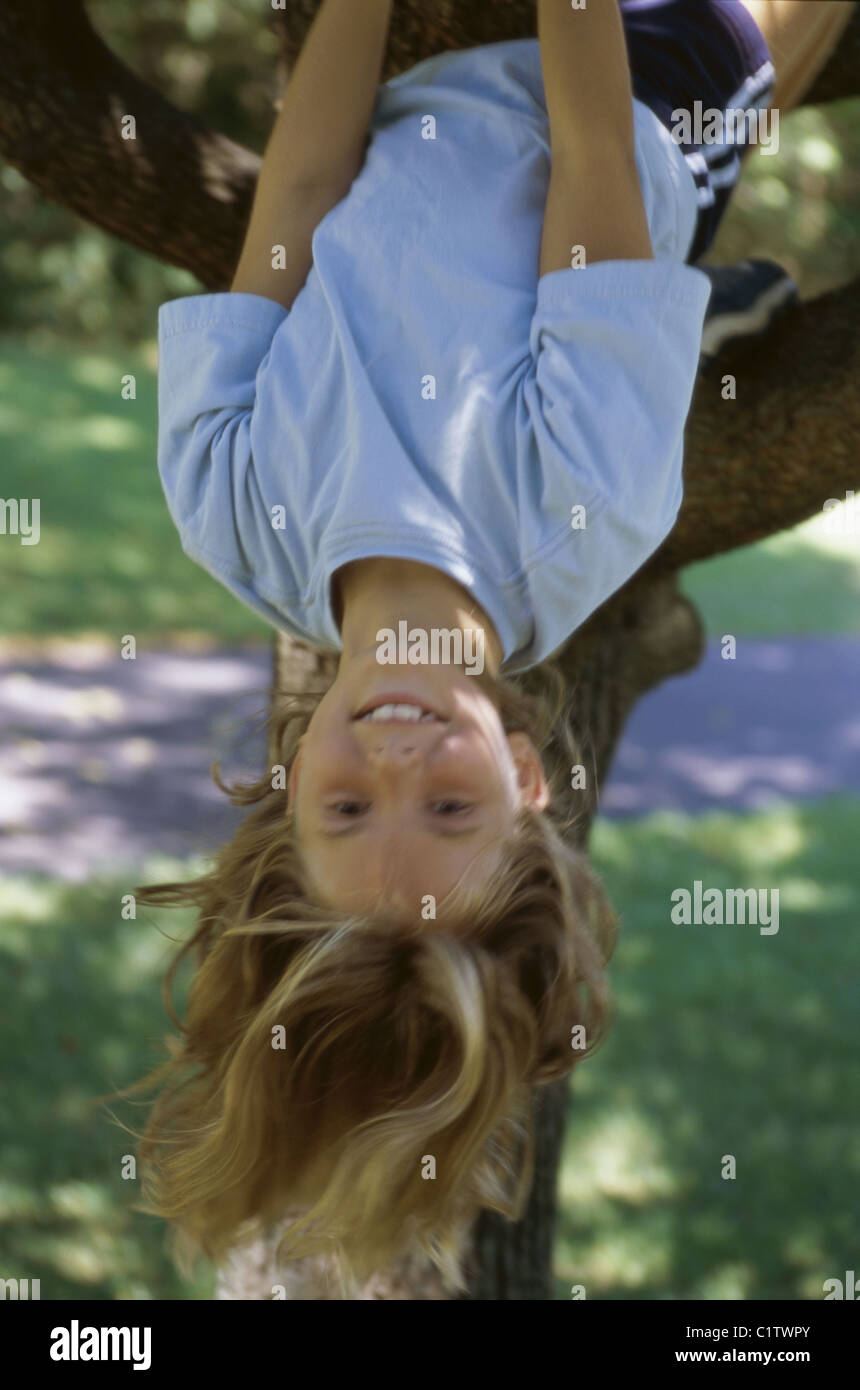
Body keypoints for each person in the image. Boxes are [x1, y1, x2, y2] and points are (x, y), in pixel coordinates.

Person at [138, 0, 855, 1296]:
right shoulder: (589, 494)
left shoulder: (228, 500)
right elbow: (588, 151)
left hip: (421, 111)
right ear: (528, 779)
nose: (398, 751)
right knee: (753, 51)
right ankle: (695, 297)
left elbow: (302, 180)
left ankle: (700, 312)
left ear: (287, 782)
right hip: (646, 95)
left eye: (350, 804)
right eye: (450, 801)